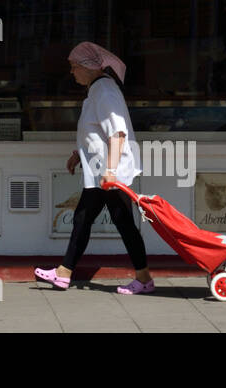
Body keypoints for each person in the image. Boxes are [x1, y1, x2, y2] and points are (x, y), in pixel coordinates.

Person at [34, 42, 155, 294]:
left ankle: (141, 278)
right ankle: (65, 272)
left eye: (74, 66)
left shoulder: (105, 92)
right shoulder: (98, 89)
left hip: (110, 172)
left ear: (88, 67)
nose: (72, 72)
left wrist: (110, 171)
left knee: (112, 221)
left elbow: (117, 133)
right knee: (88, 218)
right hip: (103, 170)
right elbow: (96, 131)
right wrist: (79, 153)